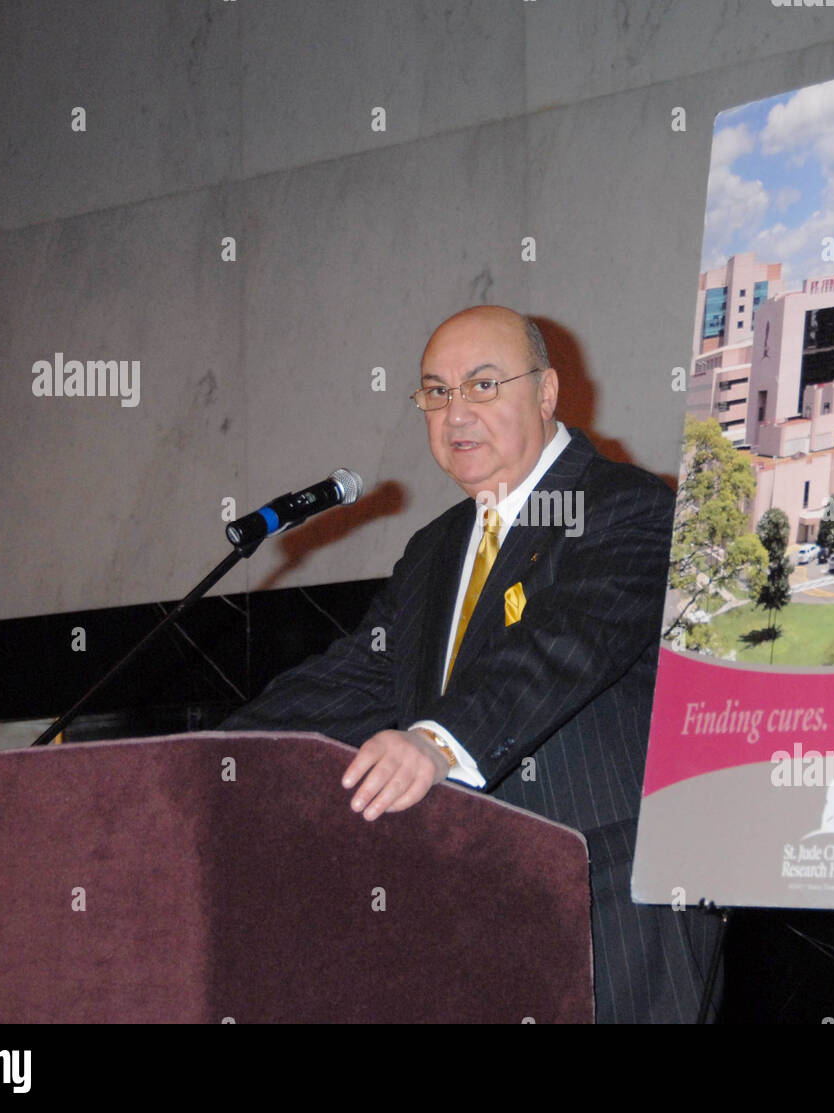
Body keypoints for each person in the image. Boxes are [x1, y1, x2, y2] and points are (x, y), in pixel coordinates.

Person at [221, 305, 719, 1022]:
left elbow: (561, 647)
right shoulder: (435, 546)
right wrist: (211, 754)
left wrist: (434, 741)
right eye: (436, 392)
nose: (456, 413)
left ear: (546, 394)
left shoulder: (624, 506)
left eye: (483, 385)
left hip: (611, 899)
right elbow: (355, 676)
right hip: (475, 904)